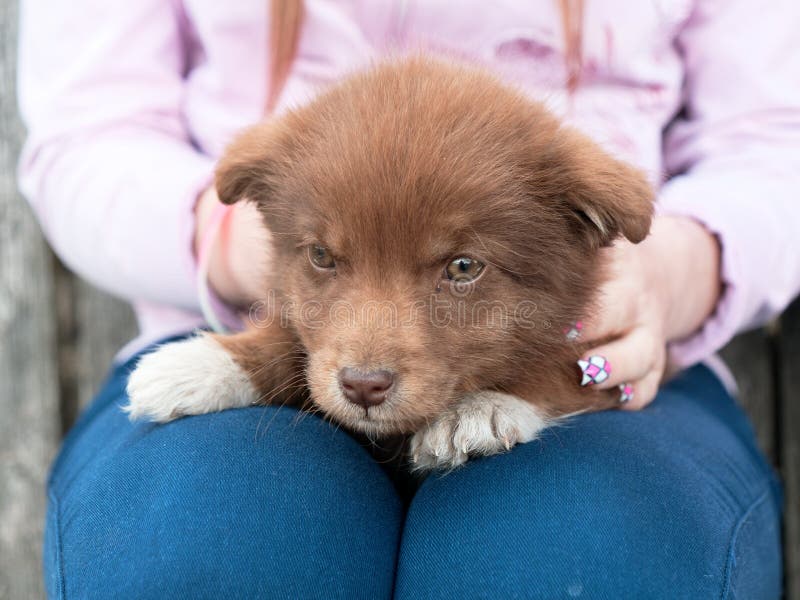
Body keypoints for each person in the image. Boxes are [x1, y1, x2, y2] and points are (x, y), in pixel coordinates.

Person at [18, 1, 798, 597]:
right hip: (234, 324)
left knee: (572, 556)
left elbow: (777, 139)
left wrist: (684, 266)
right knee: (217, 547)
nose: (371, 360)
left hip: (616, 368)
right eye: (327, 256)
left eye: (455, 267)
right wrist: (244, 250)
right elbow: (86, 133)